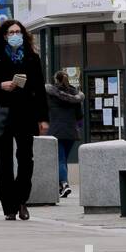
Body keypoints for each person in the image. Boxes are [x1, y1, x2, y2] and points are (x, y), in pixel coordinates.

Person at [0, 19, 50, 221]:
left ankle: (22, 201)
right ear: (4, 35)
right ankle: (9, 207)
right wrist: (1, 85)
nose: (15, 35)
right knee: (4, 162)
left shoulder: (32, 58)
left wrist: (43, 118)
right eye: (11, 32)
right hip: (2, 115)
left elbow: (40, 90)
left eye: (18, 31)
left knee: (26, 159)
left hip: (25, 114)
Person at [45, 71, 84, 200]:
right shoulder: (75, 95)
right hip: (71, 131)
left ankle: (64, 184)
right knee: (63, 159)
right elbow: (79, 115)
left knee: (60, 159)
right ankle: (61, 186)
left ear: (56, 79)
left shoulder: (51, 94)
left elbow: (45, 111)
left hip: (56, 131)